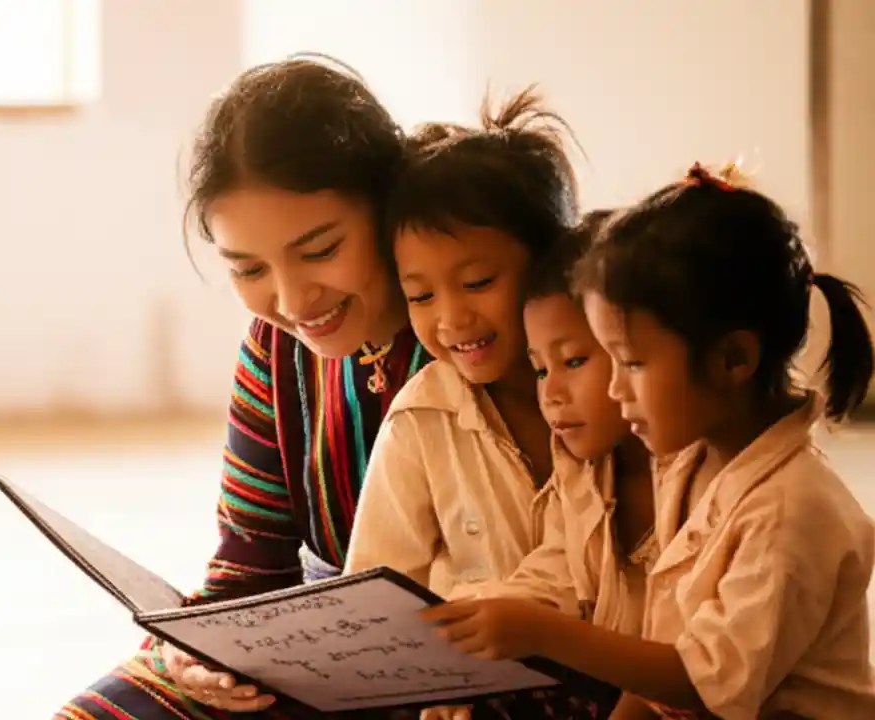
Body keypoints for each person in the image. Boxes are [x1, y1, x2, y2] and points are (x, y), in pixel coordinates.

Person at [425, 163, 875, 719]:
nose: (615, 388)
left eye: (632, 363)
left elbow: (697, 680)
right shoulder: (691, 462)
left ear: (733, 358)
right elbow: (657, 666)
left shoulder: (792, 512)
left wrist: (541, 631)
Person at [57, 54, 430, 719]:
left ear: (387, 206)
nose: (292, 301)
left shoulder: (473, 336)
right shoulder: (276, 347)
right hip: (315, 667)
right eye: (248, 268)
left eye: (319, 251)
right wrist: (196, 650)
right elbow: (249, 567)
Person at [346, 90, 617, 717]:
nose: (451, 319)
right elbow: (371, 601)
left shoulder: (621, 393)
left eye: (477, 283)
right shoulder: (420, 420)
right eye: (420, 296)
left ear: (551, 263)